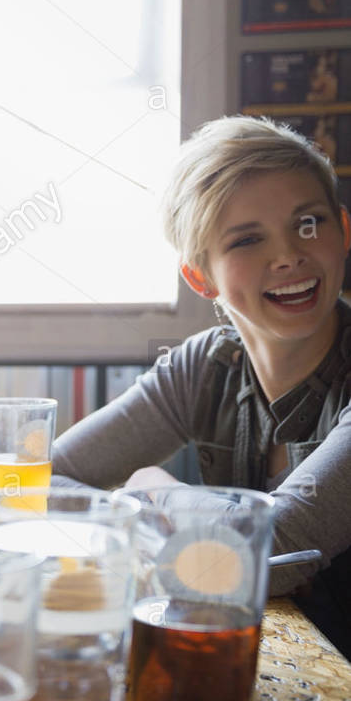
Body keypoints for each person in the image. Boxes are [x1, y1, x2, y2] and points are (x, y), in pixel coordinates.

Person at [51, 115, 351, 654]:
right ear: (200, 276)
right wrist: (192, 535)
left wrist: (155, 492)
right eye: (247, 240)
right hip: (266, 666)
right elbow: (39, 481)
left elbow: (277, 547)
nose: (287, 255)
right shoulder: (205, 366)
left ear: (344, 231)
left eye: (309, 223)